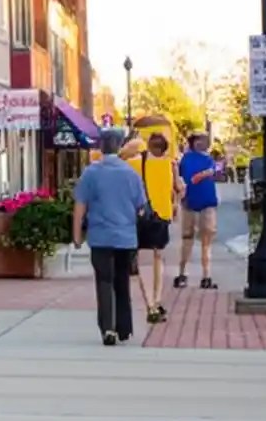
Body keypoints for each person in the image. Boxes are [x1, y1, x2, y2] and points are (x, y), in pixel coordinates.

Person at [73, 128, 148, 346]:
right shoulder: (130, 174)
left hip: (100, 236)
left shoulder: (91, 173)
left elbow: (80, 206)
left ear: (101, 147)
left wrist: (77, 236)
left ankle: (108, 328)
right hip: (125, 237)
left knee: (104, 281)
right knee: (122, 280)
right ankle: (124, 327)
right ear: (120, 146)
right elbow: (140, 207)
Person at [127, 133, 185, 323]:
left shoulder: (135, 163)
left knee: (143, 261)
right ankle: (157, 299)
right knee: (158, 258)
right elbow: (179, 189)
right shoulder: (171, 164)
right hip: (162, 216)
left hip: (141, 215)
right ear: (165, 148)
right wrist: (176, 202)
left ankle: (149, 303)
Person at [177, 132, 220, 289]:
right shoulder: (187, 159)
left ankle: (205, 275)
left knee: (205, 240)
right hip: (192, 202)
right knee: (190, 239)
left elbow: (215, 171)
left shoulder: (208, 160)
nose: (201, 143)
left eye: (203, 140)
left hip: (205, 203)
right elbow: (180, 179)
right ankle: (184, 273)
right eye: (198, 140)